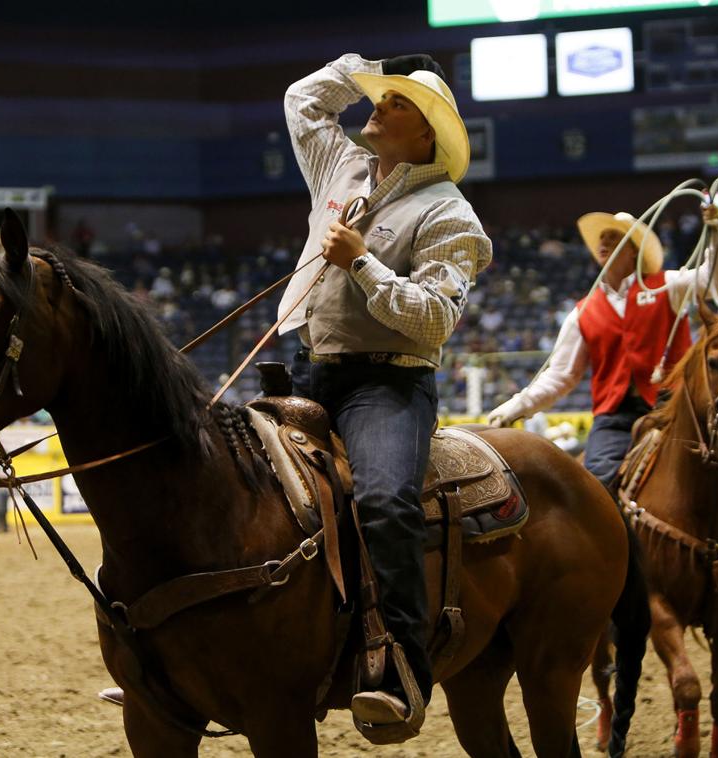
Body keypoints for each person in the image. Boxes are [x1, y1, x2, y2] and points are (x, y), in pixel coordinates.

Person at [277, 52, 492, 730]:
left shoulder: (450, 213)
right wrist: (370, 68)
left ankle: (403, 668)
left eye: (396, 101)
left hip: (388, 382)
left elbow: (435, 320)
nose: (378, 104)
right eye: (380, 95)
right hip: (309, 368)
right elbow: (303, 101)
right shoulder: (341, 166)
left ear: (427, 132)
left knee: (384, 499)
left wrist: (362, 263)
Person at [486, 205, 718, 600]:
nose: (604, 244)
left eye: (614, 238)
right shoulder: (582, 312)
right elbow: (561, 375)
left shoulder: (667, 286)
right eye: (601, 239)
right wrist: (516, 406)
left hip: (674, 412)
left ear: (633, 249)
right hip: (615, 417)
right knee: (595, 486)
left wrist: (716, 237)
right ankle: (600, 582)